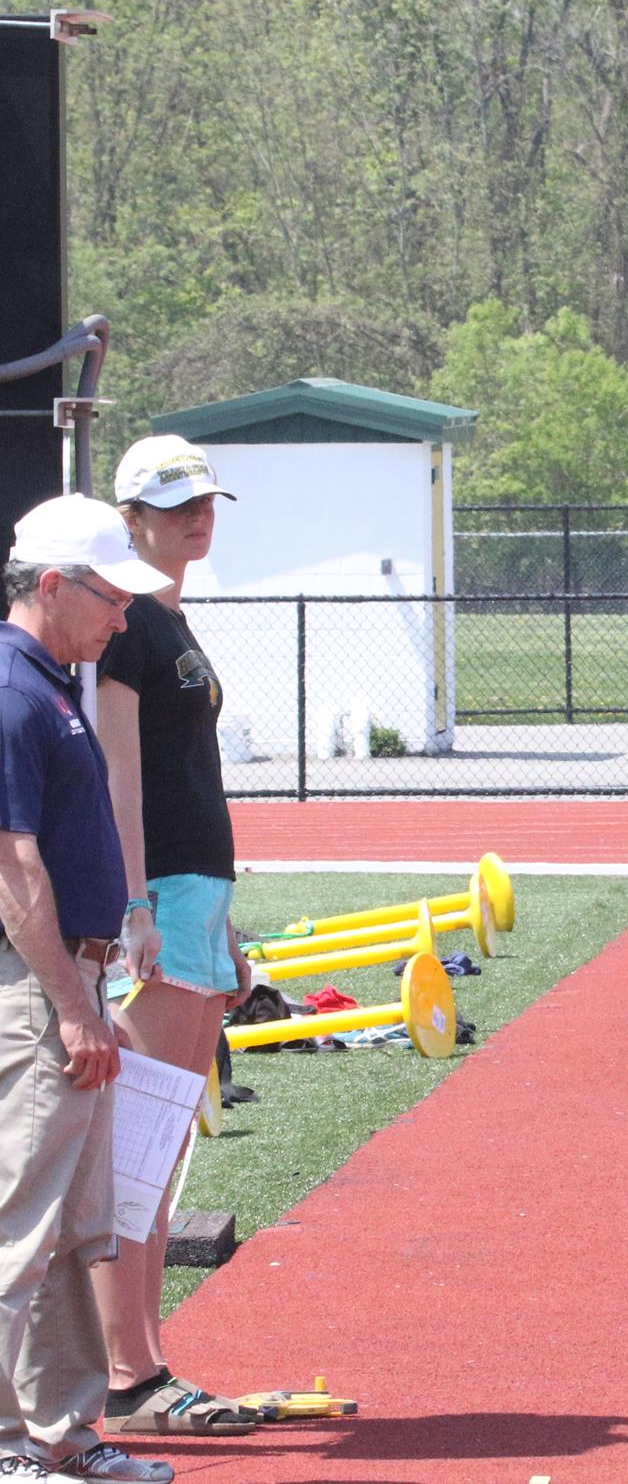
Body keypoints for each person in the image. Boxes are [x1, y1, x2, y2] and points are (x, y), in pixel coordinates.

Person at [0, 494, 176, 1484]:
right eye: (112, 599)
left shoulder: (50, 681)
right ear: (56, 586)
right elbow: (11, 865)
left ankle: (61, 1433)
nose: (123, 620)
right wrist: (70, 1004)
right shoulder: (14, 691)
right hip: (38, 988)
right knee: (18, 1228)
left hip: (68, 978)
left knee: (72, 1230)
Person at [89, 439, 261, 1439]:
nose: (198, 515)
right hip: (160, 899)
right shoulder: (130, 629)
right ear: (133, 516)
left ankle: (145, 1366)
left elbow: (193, 778)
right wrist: (135, 904)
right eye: (176, 502)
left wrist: (221, 922)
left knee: (162, 1161)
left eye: (206, 499)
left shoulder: (171, 618)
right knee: (137, 1153)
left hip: (198, 900)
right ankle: (126, 1373)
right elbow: (120, 773)